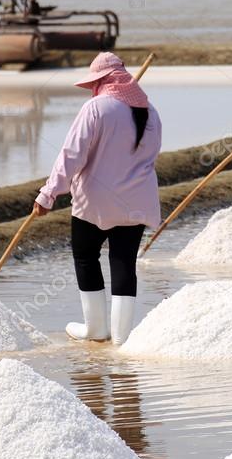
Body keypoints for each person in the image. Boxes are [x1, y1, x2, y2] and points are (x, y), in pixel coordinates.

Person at [33, 52, 162, 345]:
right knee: (124, 261)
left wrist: (48, 194)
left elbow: (71, 155)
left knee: (86, 257)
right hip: (136, 202)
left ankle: (95, 329)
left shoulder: (95, 108)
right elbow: (149, 157)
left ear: (102, 80)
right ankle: (121, 337)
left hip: (95, 202)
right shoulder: (150, 111)